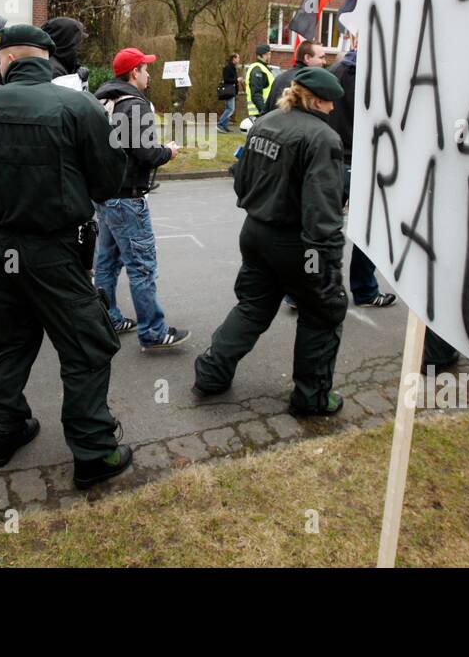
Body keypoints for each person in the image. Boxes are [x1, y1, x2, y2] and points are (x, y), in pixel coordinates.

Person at [0, 24, 133, 488]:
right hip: (55, 249)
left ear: (5, 59)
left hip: (1, 249)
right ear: (46, 58)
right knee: (87, 345)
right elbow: (108, 182)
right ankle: (94, 451)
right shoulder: (78, 105)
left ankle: (6, 427)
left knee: (10, 339)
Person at [193, 66, 350, 415]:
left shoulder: (265, 123)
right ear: (317, 100)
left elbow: (241, 180)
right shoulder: (323, 138)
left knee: (253, 305)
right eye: (330, 104)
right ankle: (312, 397)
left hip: (256, 233)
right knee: (323, 312)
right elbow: (322, 210)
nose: (333, 110)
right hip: (299, 244)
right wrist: (325, 265)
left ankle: (211, 373)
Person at [92, 47, 189, 350]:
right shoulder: (135, 105)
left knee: (106, 261)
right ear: (134, 73)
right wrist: (168, 152)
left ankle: (107, 318)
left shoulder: (104, 99)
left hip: (104, 194)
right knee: (142, 266)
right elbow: (145, 154)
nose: (148, 74)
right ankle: (153, 332)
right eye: (145, 69)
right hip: (127, 198)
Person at [327, 34, 398, 308]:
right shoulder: (379, 77)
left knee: (323, 230)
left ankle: (304, 289)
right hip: (364, 162)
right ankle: (365, 290)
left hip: (332, 159)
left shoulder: (333, 72)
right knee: (367, 232)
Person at [267, 39, 328, 110]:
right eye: (321, 57)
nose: (325, 62)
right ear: (307, 58)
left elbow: (266, 111)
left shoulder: (280, 78)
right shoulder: (308, 82)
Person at [243, 43, 273, 125]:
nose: (269, 56)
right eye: (266, 54)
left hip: (262, 112)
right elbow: (256, 94)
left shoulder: (264, 69)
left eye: (269, 54)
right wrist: (264, 111)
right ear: (259, 56)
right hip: (259, 112)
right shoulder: (257, 70)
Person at [217, 53, 239, 133]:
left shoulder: (232, 68)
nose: (239, 60)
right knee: (230, 109)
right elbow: (226, 79)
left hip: (231, 91)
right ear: (234, 59)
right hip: (228, 91)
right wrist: (237, 80)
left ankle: (224, 126)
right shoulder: (228, 68)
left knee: (228, 108)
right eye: (238, 58)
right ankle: (219, 124)